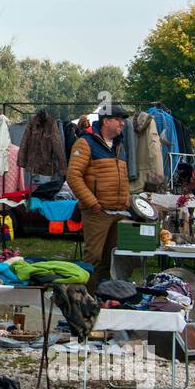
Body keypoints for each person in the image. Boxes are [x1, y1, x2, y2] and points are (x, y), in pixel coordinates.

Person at [66, 106, 130, 295]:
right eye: (118, 119)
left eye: (122, 120)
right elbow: (73, 176)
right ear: (106, 121)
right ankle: (82, 299)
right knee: (93, 258)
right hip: (97, 212)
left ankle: (102, 297)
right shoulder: (85, 143)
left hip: (118, 212)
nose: (122, 123)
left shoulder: (120, 145)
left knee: (110, 260)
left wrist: (127, 202)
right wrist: (92, 203)